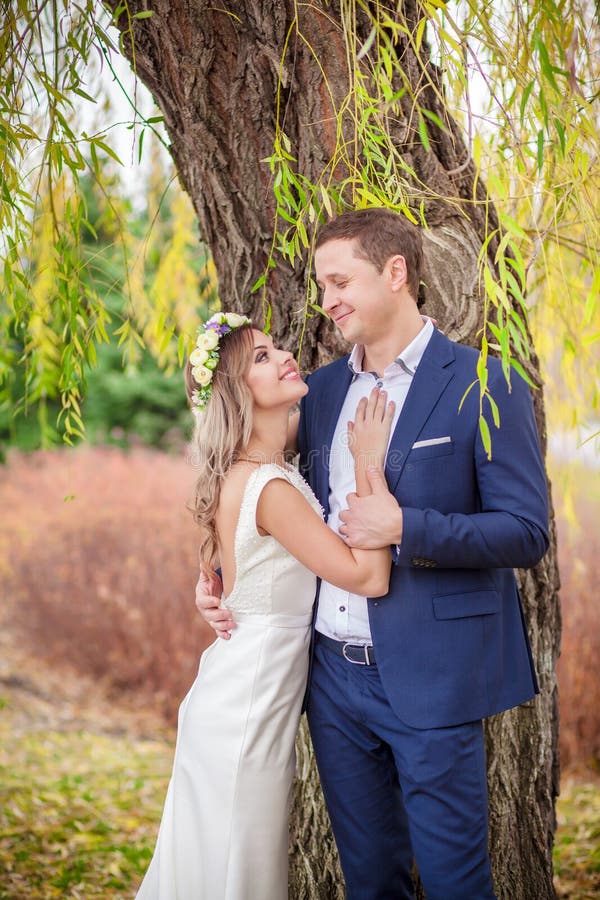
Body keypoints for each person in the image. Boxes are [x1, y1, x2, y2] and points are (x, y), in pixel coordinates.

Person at [196, 208, 550, 899]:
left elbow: (526, 532)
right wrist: (213, 573)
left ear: (395, 273)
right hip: (333, 686)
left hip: (434, 681)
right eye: (322, 286)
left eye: (339, 281)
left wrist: (406, 527)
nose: (327, 301)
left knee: (456, 883)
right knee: (371, 884)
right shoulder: (321, 392)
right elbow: (251, 482)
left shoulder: (487, 384)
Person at [135, 311, 395, 900]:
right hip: (245, 713)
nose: (282, 356)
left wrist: (214, 589)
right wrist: (368, 464)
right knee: (236, 875)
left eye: (274, 347)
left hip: (240, 697)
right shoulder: (271, 489)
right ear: (236, 393)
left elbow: (234, 574)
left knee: (221, 870)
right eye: (260, 358)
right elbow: (368, 576)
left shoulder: (259, 470)